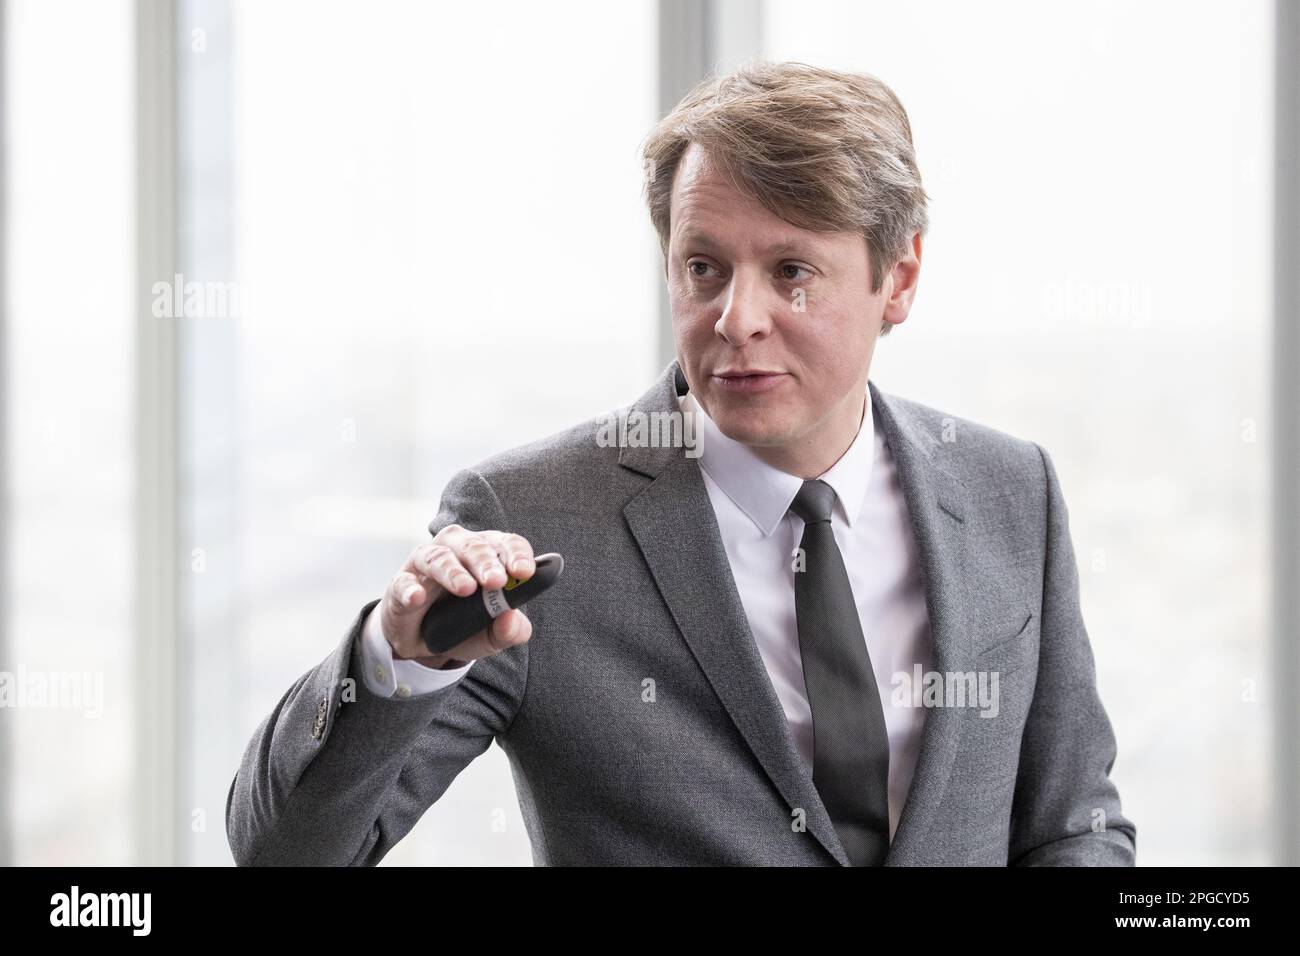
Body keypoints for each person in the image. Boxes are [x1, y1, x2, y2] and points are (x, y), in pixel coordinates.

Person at [226, 60, 1135, 866]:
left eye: (792, 271)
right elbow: (284, 854)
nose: (736, 319)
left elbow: (1073, 827)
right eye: (703, 268)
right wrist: (396, 658)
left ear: (896, 280)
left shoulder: (1011, 490)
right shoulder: (531, 519)